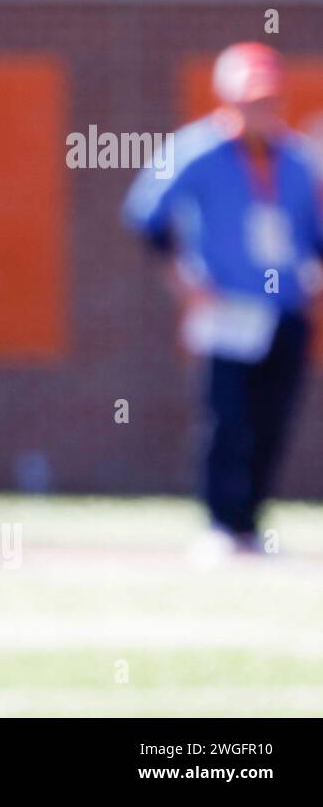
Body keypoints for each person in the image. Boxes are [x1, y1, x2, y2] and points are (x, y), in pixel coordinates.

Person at [123, 42, 321, 558]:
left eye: (269, 99)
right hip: (226, 309)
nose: (261, 110)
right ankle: (219, 526)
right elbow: (148, 217)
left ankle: (252, 528)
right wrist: (181, 281)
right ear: (227, 99)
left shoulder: (297, 159)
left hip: (285, 310)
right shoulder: (197, 151)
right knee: (226, 420)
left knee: (271, 421)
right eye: (250, 100)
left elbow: (313, 236)